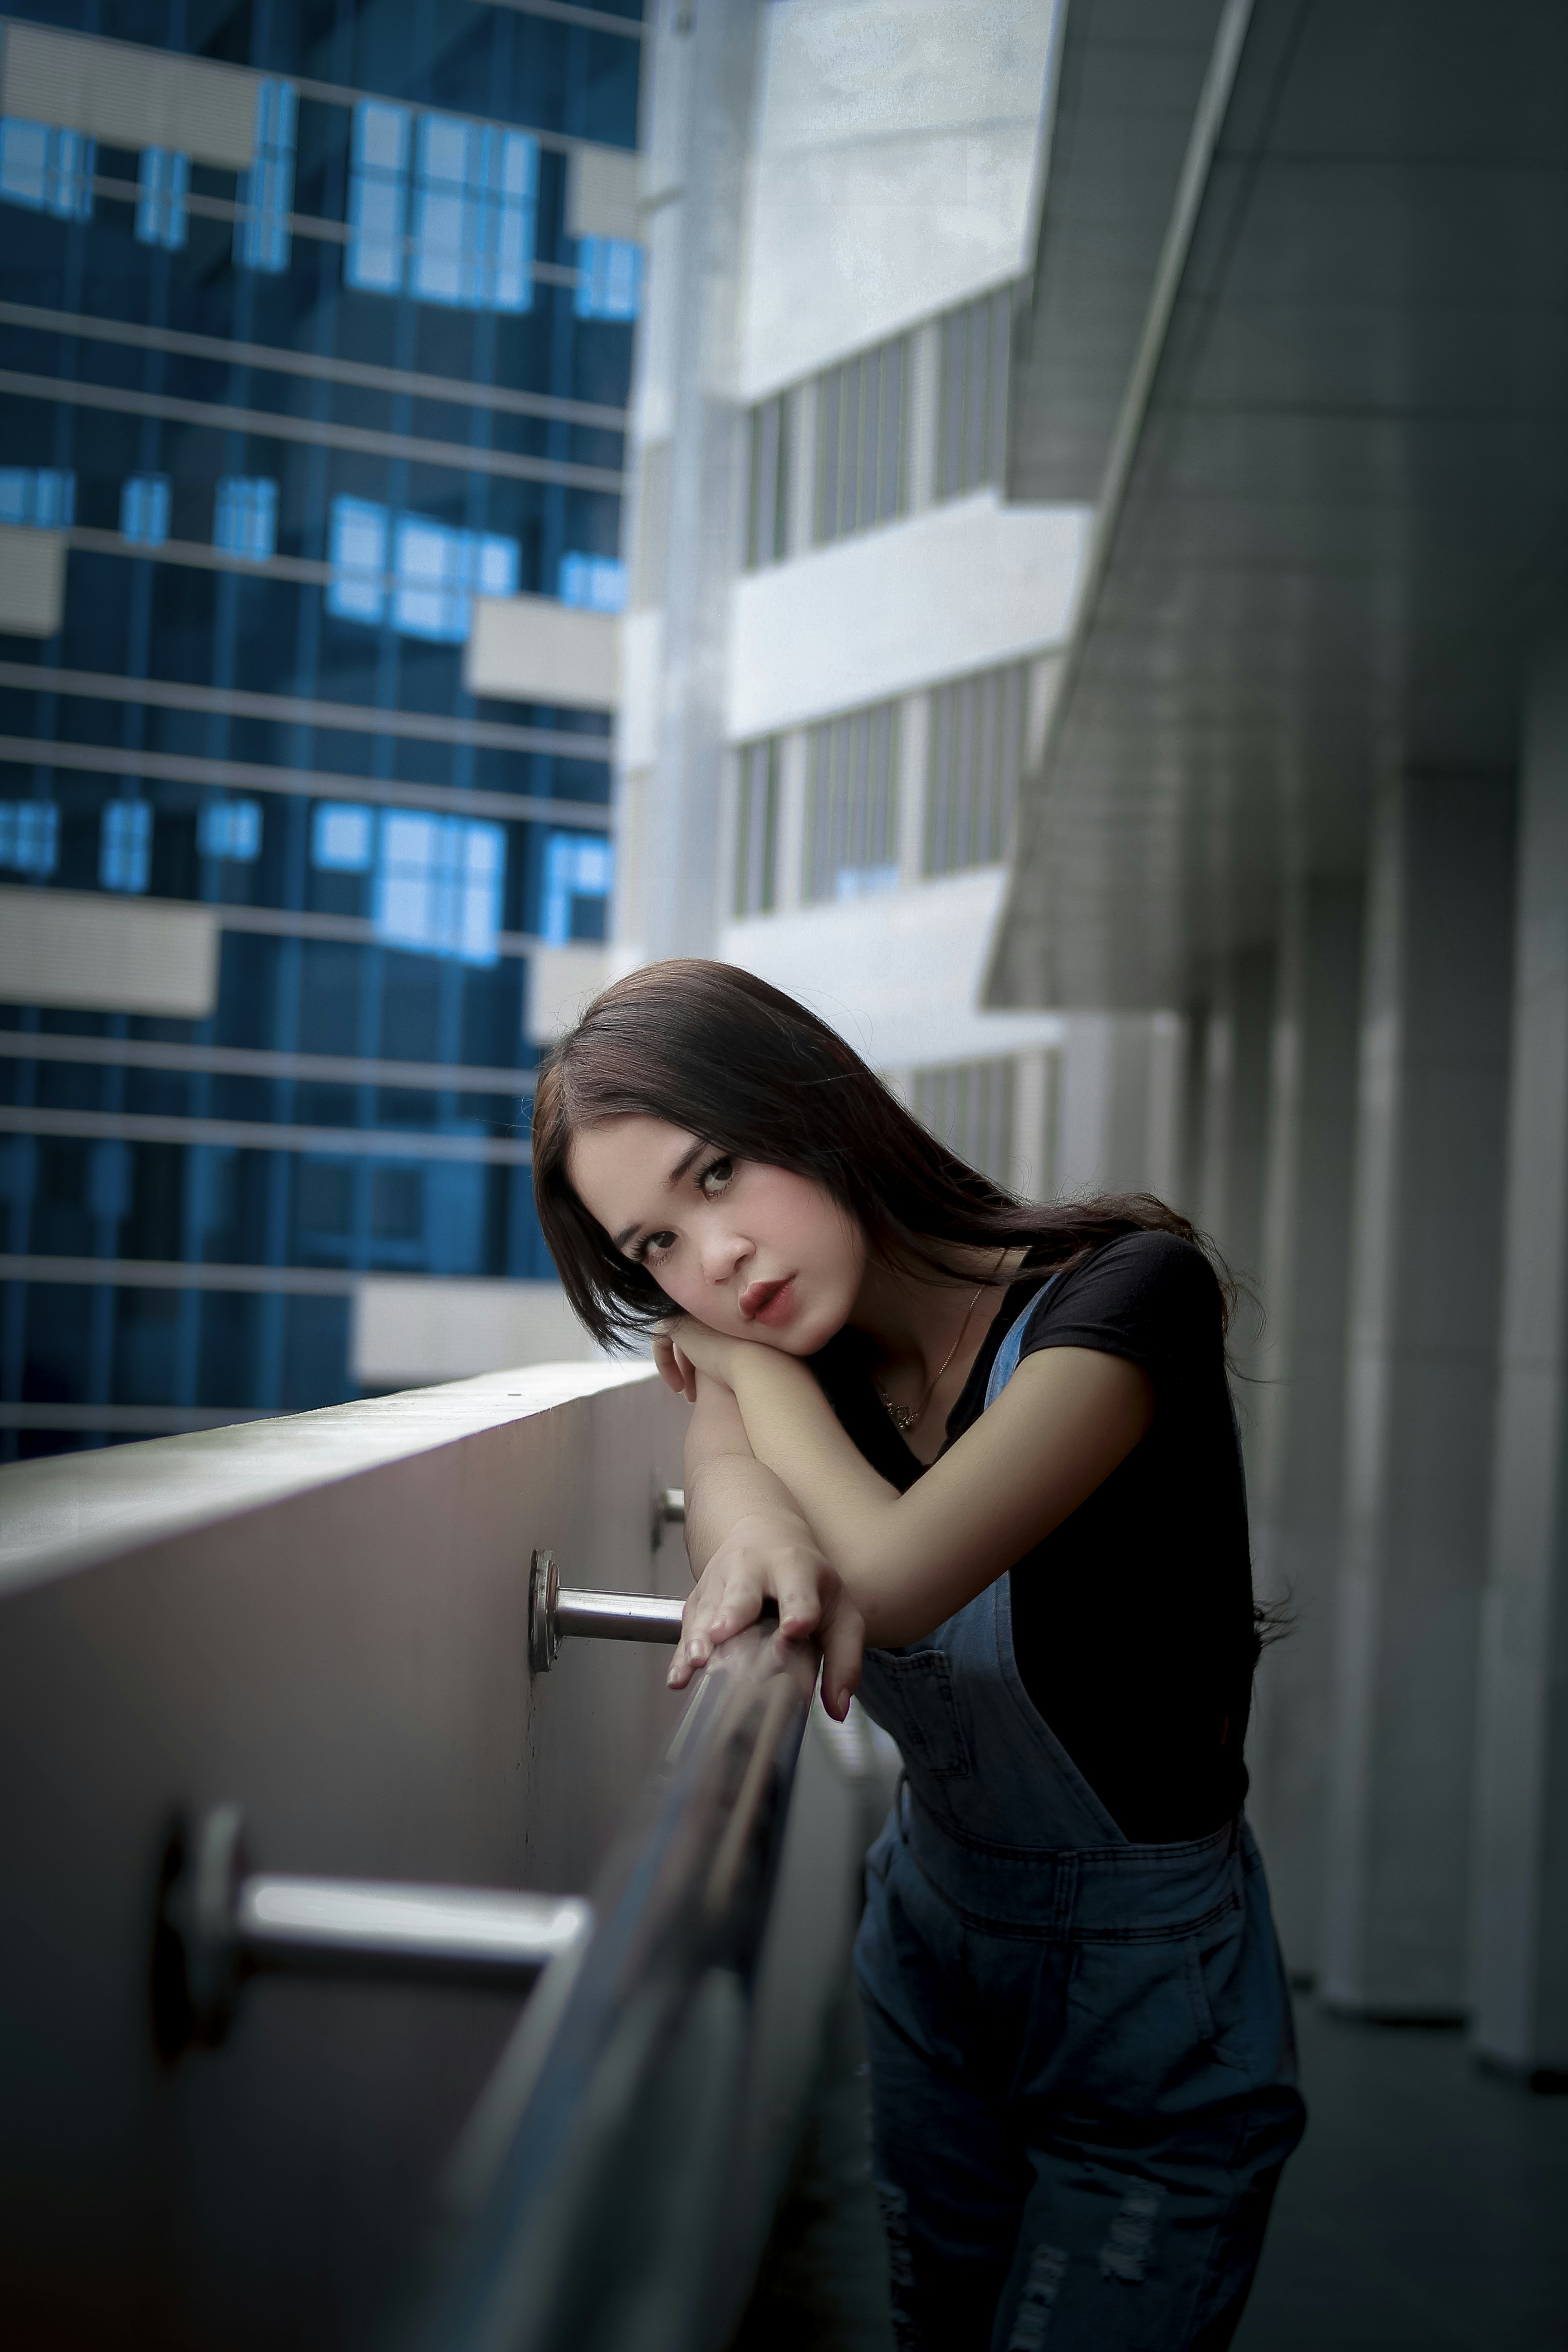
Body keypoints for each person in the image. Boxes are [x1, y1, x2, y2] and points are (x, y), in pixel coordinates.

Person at [533, 959, 1306, 2352]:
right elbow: (729, 1492)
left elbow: (891, 1580)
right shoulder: (819, 1367)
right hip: (926, 1957)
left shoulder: (1124, 1301)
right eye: (653, 1247)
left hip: (1151, 2013)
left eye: (718, 1176)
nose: (710, 1264)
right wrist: (753, 1495)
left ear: (816, 1105)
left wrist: (748, 1376)